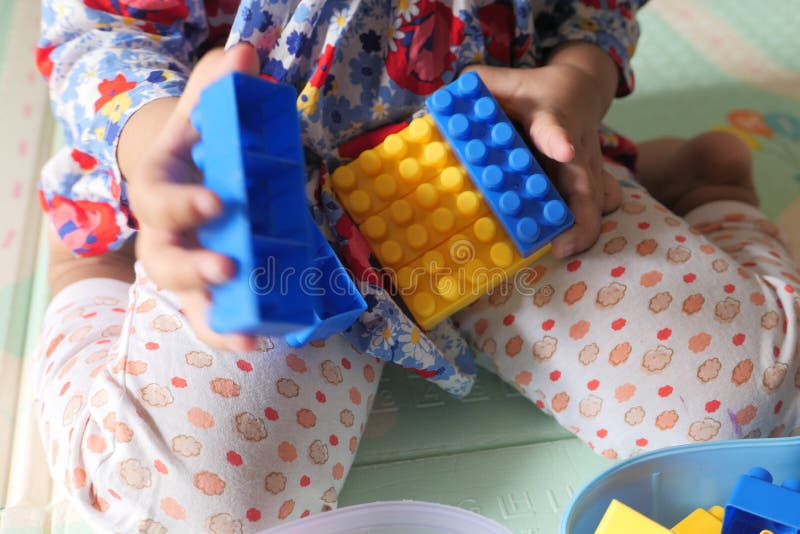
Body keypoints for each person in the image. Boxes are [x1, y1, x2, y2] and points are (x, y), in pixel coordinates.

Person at [34, 0, 798, 532]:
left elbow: (594, 10)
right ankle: (89, 273)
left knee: (746, 410)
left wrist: (580, 80)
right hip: (258, 210)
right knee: (195, 507)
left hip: (500, 165)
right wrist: (149, 149)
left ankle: (705, 187)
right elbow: (100, 32)